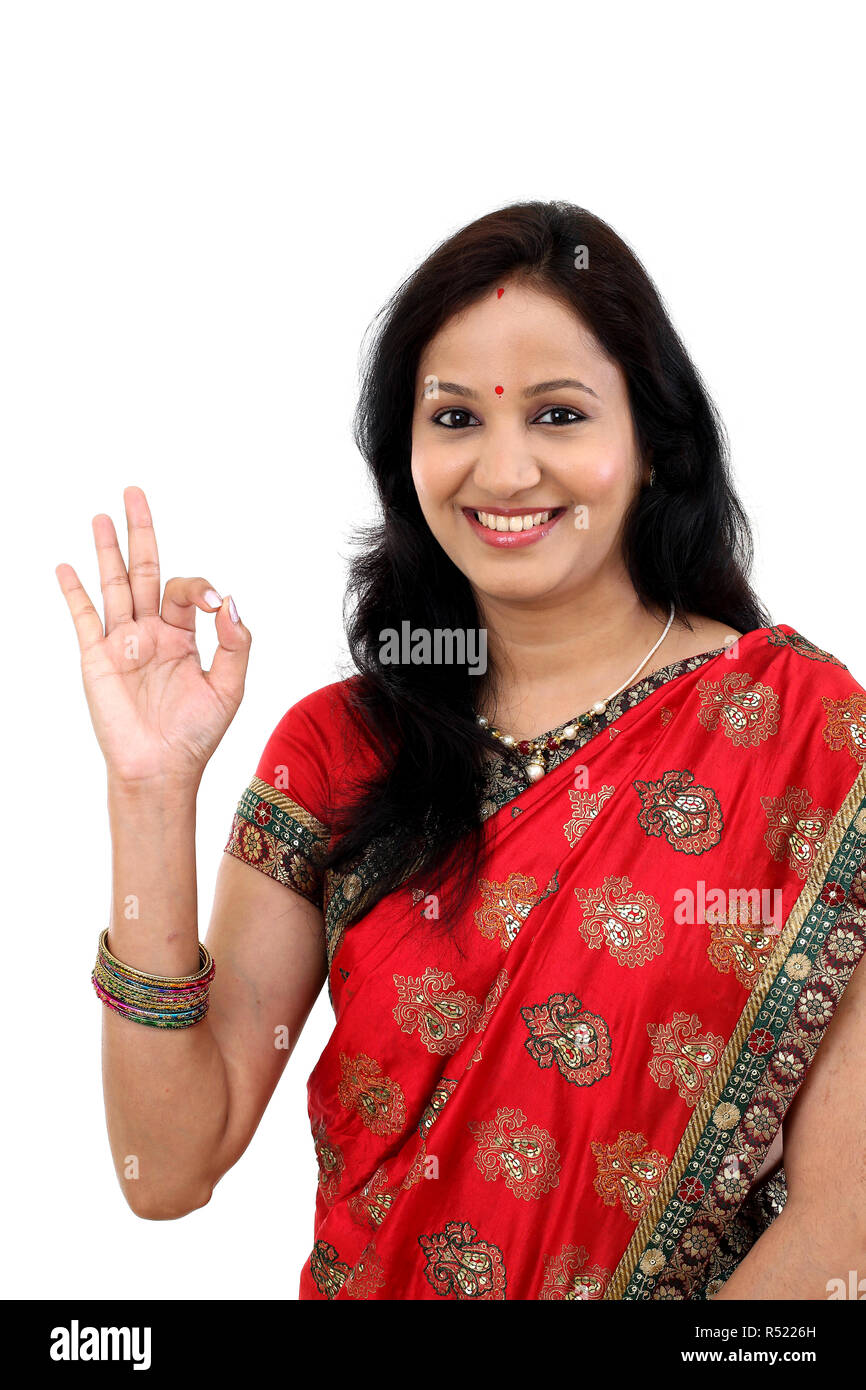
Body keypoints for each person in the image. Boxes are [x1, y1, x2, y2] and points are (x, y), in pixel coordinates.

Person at [56, 201, 866, 1300]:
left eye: (557, 413)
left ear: (652, 445)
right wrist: (149, 792)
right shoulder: (341, 749)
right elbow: (170, 1166)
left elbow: (839, 1234)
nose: (504, 467)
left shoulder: (806, 740)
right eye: (453, 419)